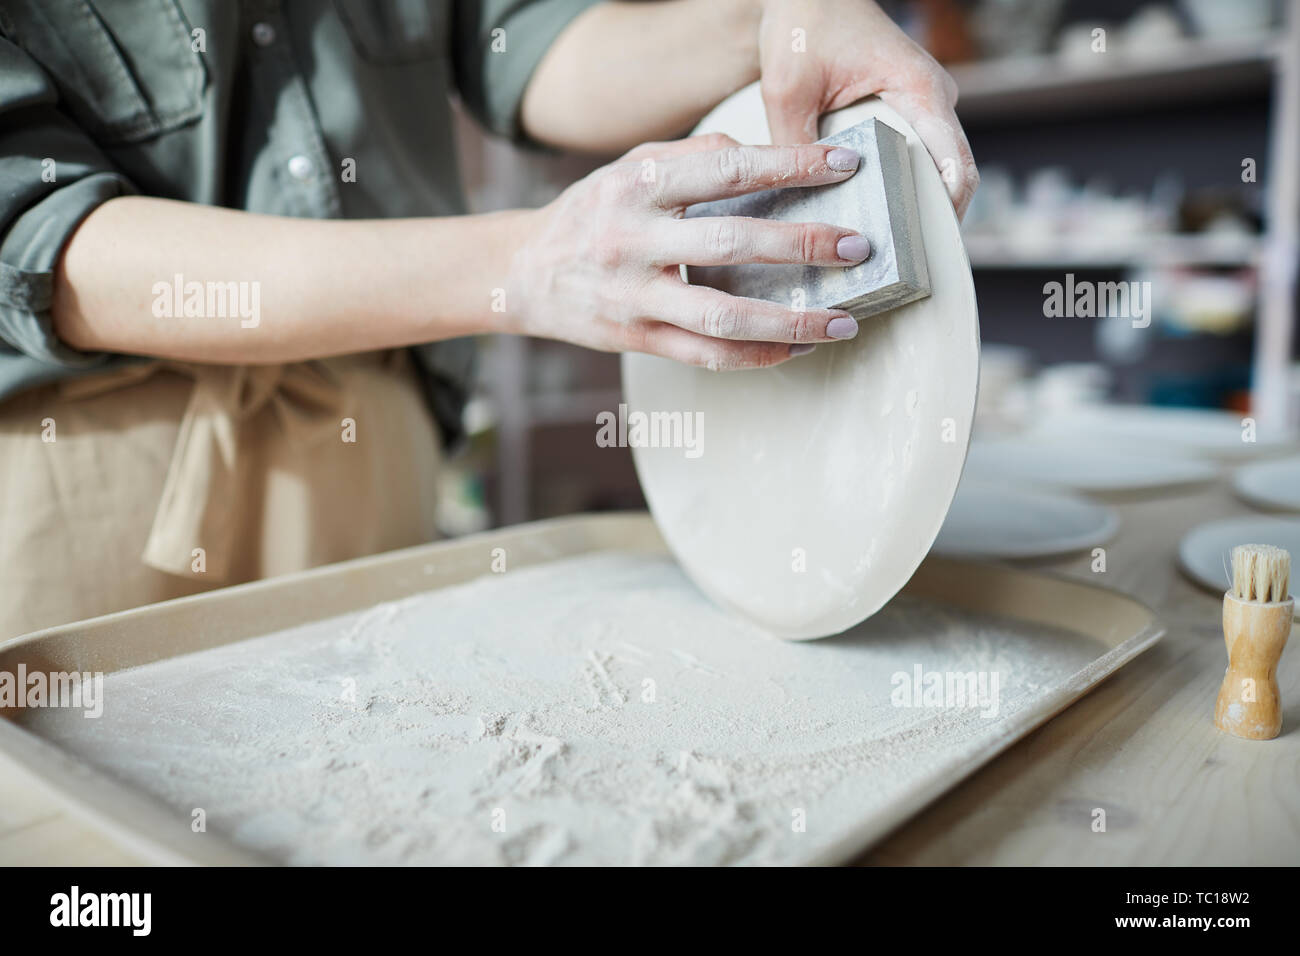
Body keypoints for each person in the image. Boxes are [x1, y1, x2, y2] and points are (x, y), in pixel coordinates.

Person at [0, 0, 977, 639]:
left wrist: (772, 18)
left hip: (367, 437)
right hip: (96, 467)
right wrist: (523, 266)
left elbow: (529, 46)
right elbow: (43, 242)